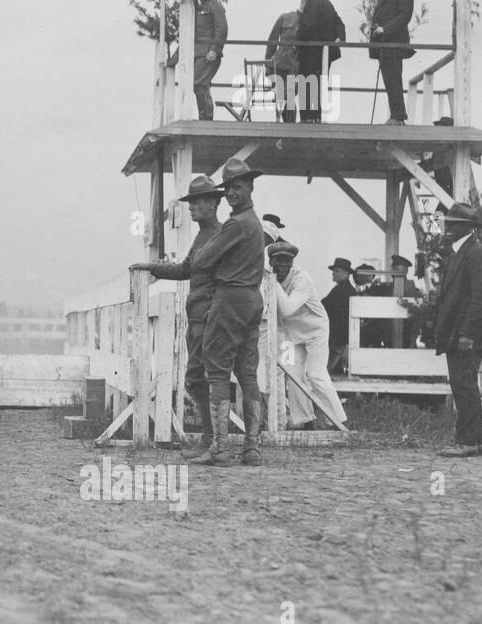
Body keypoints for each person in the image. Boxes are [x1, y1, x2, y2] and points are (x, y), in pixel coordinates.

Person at [130, 175, 225, 458]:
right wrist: (153, 267)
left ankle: (212, 441)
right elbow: (187, 269)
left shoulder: (219, 235)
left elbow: (211, 276)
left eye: (197, 202)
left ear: (213, 203)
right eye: (191, 202)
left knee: (201, 378)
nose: (192, 207)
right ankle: (209, 441)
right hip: (197, 317)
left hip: (207, 317)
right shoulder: (203, 235)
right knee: (197, 378)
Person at [187, 157, 267, 466]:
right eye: (228, 187)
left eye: (237, 187)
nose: (232, 192)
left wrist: (206, 254)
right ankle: (251, 447)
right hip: (252, 299)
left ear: (249, 187)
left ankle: (219, 448)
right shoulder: (254, 223)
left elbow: (201, 261)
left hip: (230, 299)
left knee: (217, 372)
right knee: (247, 374)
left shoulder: (237, 224)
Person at [268, 242, 349, 431]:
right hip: (292, 334)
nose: (282, 267)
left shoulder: (302, 278)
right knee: (293, 376)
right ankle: (306, 421)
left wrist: (272, 281)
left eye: (287, 262)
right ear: (271, 262)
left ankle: (338, 420)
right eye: (278, 262)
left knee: (316, 374)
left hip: (315, 331)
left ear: (293, 263)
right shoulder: (271, 278)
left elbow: (287, 309)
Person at [432, 202, 482, 457]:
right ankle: (474, 440)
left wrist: (468, 332)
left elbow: (481, 297)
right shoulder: (460, 252)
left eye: (453, 224)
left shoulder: (475, 253)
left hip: (465, 334)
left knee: (464, 385)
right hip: (457, 332)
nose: (447, 228)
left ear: (465, 227)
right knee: (463, 384)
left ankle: (467, 441)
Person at [291, 0, 345, 124]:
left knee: (306, 82)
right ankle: (315, 117)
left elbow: (306, 26)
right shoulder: (324, 0)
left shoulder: (313, 1)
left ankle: (308, 118)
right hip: (322, 51)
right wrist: (339, 38)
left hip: (312, 51)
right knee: (316, 83)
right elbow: (339, 23)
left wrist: (295, 43)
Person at [368, 0, 415, 125]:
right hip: (384, 43)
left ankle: (398, 116)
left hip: (394, 42)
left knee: (394, 78)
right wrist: (375, 29)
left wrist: (385, 29)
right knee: (389, 79)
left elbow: (405, 16)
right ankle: (395, 115)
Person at [192, 0, 227, 121]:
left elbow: (222, 28)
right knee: (200, 85)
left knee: (199, 84)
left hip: (208, 54)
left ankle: (205, 119)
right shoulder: (195, 7)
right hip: (196, 54)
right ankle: (205, 118)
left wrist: (214, 49)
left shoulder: (214, 5)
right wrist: (172, 61)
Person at [264, 10, 300, 122]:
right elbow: (272, 40)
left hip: (295, 66)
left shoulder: (309, 21)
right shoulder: (284, 17)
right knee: (280, 96)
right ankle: (284, 125)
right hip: (278, 64)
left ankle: (290, 126)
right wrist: (268, 63)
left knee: (289, 96)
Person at [322, 257, 356, 373]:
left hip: (338, 338)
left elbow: (325, 305)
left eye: (337, 271)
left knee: (331, 369)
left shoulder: (343, 290)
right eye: (334, 270)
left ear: (346, 273)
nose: (333, 273)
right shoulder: (342, 288)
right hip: (338, 336)